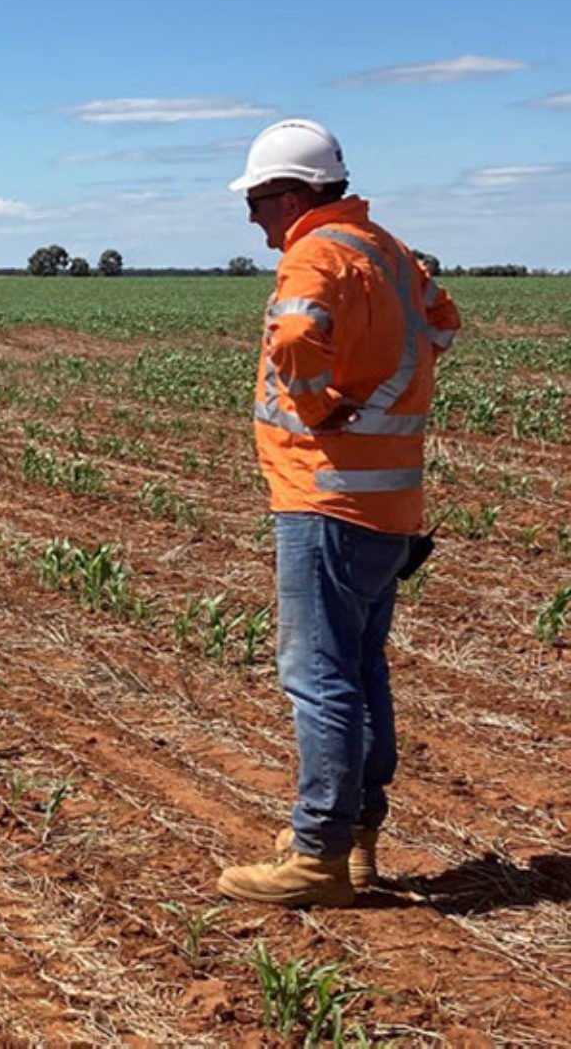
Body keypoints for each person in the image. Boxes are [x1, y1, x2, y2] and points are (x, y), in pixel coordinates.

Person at [214, 120, 459, 907]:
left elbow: (295, 333)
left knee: (317, 676)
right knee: (361, 668)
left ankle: (318, 852)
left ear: (291, 197)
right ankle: (356, 838)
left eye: (257, 201)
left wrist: (323, 406)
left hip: (325, 495)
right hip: (390, 501)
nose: (252, 216)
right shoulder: (388, 250)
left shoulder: (316, 252)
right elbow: (444, 323)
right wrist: (380, 386)